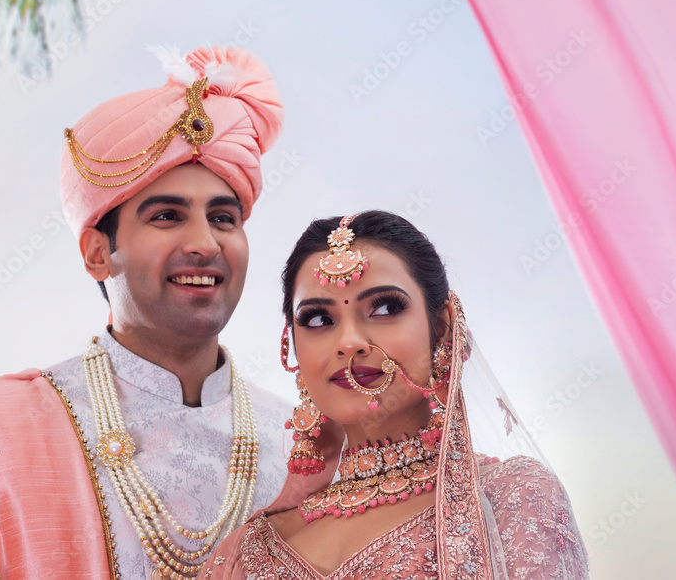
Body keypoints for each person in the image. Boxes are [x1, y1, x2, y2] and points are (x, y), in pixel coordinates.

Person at [0, 45, 295, 579]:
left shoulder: (299, 443)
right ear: (98, 253)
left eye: (224, 218)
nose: (205, 243)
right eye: (167, 216)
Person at [200, 211, 590, 579]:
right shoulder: (246, 551)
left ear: (439, 328)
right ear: (294, 348)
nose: (349, 342)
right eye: (319, 319)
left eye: (385, 308)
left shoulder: (510, 496)